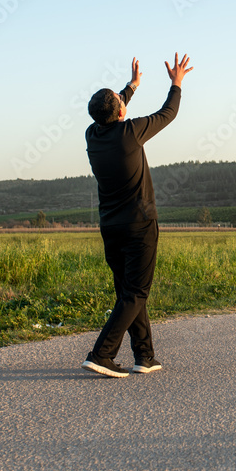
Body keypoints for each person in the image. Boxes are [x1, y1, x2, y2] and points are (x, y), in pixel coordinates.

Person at [81, 53, 193, 378]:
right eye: (120, 101)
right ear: (120, 112)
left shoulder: (93, 135)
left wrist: (131, 86)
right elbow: (168, 113)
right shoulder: (130, 133)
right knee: (136, 292)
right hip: (139, 225)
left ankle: (145, 356)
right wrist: (177, 83)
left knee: (129, 291)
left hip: (110, 228)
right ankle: (101, 354)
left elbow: (109, 110)